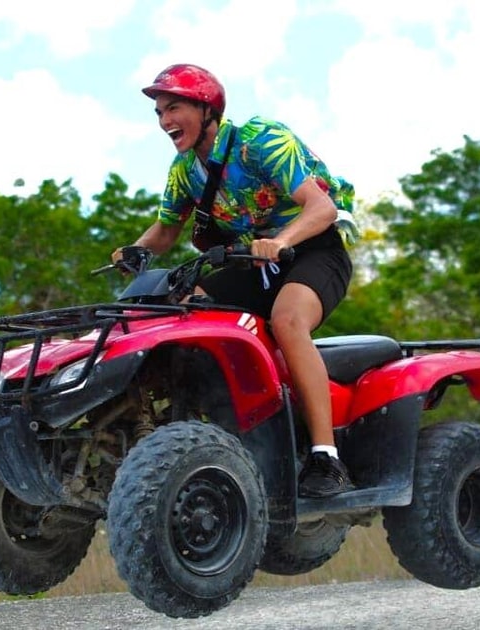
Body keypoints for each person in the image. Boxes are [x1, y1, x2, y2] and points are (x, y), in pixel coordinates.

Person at [113, 63, 359, 498]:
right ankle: (204, 428)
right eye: (159, 113)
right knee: (183, 308)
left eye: (174, 108)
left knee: (287, 321)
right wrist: (137, 249)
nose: (165, 121)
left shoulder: (260, 140)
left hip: (314, 253)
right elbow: (167, 230)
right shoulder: (184, 170)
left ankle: (327, 457)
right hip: (256, 266)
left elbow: (320, 208)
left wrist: (279, 240)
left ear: (206, 108)